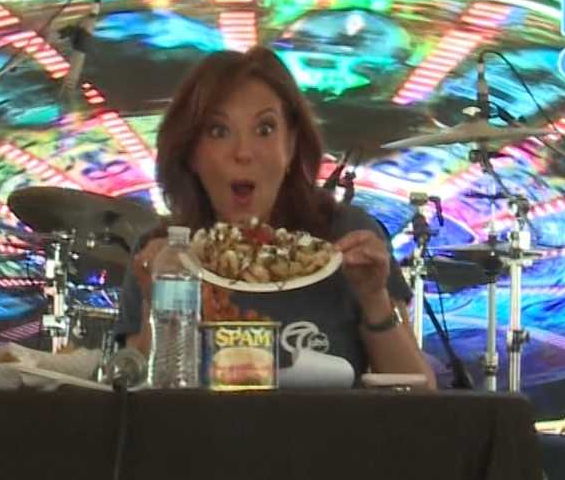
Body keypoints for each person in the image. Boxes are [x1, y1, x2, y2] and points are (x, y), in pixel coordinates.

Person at [117, 47, 436, 384]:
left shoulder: (346, 236)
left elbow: (420, 398)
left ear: (292, 145)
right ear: (191, 152)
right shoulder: (160, 254)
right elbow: (131, 410)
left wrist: (374, 300)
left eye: (265, 129)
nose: (243, 152)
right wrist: (157, 304)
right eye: (218, 131)